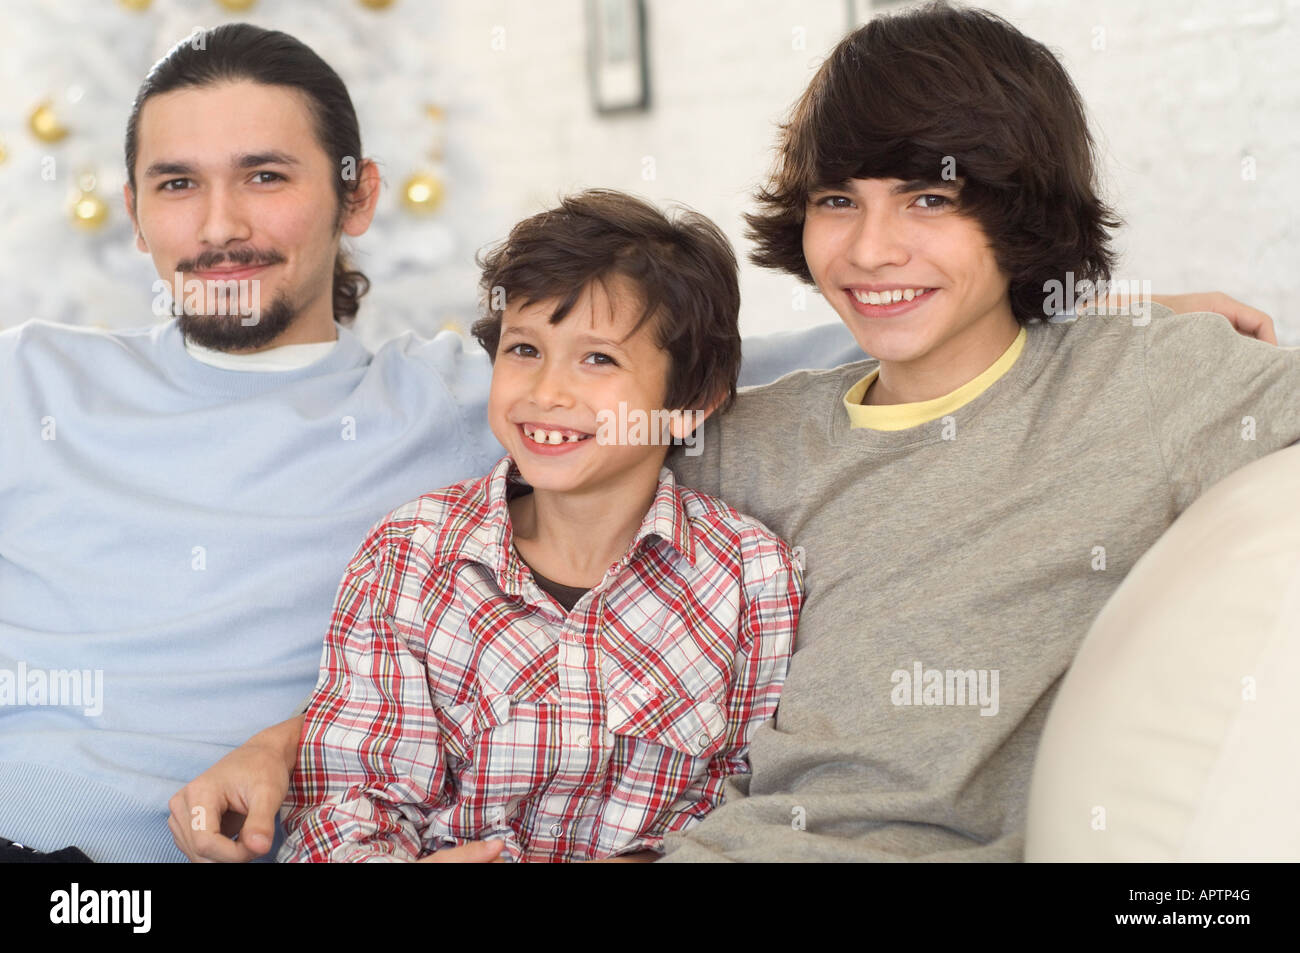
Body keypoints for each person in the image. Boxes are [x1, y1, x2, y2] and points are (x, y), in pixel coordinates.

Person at [0, 20, 1262, 864]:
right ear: (133, 209)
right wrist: (295, 738)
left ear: (357, 195)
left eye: (265, 174)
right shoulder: (31, 378)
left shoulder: (472, 399)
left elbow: (720, 359)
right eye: (177, 183)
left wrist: (1093, 312)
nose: (220, 222)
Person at [650, 1, 1300, 861]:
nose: (872, 250)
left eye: (929, 198)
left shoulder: (1146, 380)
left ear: (1021, 214)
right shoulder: (743, 438)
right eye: (838, 199)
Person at [278, 191, 803, 862]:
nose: (547, 391)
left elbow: (762, 805)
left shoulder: (751, 577)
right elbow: (345, 803)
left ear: (689, 403)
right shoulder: (409, 556)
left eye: (598, 359)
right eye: (524, 349)